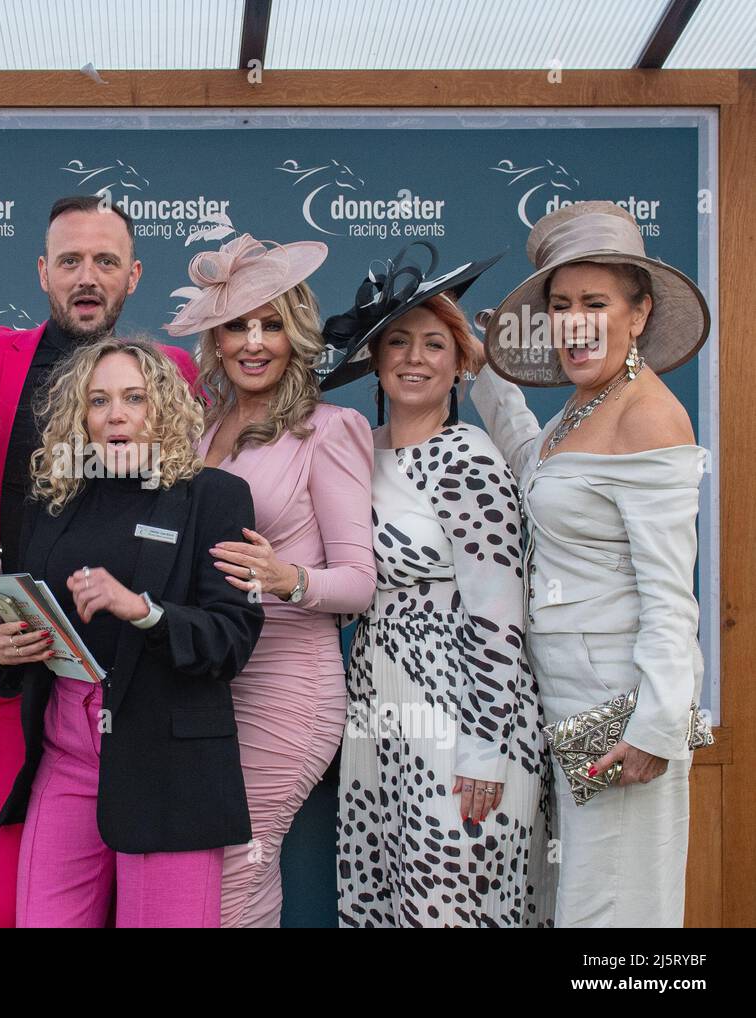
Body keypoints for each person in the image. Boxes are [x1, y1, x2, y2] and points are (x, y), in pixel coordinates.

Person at [470, 201, 711, 927]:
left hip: (621, 711)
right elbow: (534, 474)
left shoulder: (648, 413)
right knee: (576, 902)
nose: (575, 321)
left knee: (617, 914)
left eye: (595, 303)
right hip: (562, 699)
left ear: (639, 314)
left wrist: (656, 726)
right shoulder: (581, 407)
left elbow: (672, 594)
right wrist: (486, 373)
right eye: (561, 304)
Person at [0, 195, 197, 927]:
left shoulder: (172, 373)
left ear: (134, 275)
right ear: (43, 272)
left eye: (105, 261)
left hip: (149, 688)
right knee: (19, 896)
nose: (87, 276)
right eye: (70, 261)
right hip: (30, 671)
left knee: (153, 901)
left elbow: (199, 511)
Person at [0, 337, 263, 927]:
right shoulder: (54, 500)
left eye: (134, 398)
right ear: (79, 416)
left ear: (164, 407)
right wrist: (7, 645)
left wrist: (141, 609)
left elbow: (232, 636)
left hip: (167, 759)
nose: (115, 414)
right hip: (67, 755)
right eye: (99, 400)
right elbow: (34, 623)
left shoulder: (213, 497)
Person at [323, 244, 553, 927]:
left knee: (445, 908)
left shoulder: (469, 460)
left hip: (461, 721)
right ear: (375, 358)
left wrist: (483, 749)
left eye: (434, 343)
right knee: (384, 901)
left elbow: (498, 616)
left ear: (461, 361)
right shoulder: (353, 449)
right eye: (399, 342)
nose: (416, 358)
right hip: (380, 713)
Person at [161, 234, 376, 927]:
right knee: (214, 876)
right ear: (215, 340)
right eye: (237, 325)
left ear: (296, 335)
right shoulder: (202, 433)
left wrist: (289, 579)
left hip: (287, 687)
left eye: (272, 323)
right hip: (208, 683)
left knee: (238, 871)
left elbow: (359, 580)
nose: (254, 342)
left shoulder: (329, 429)